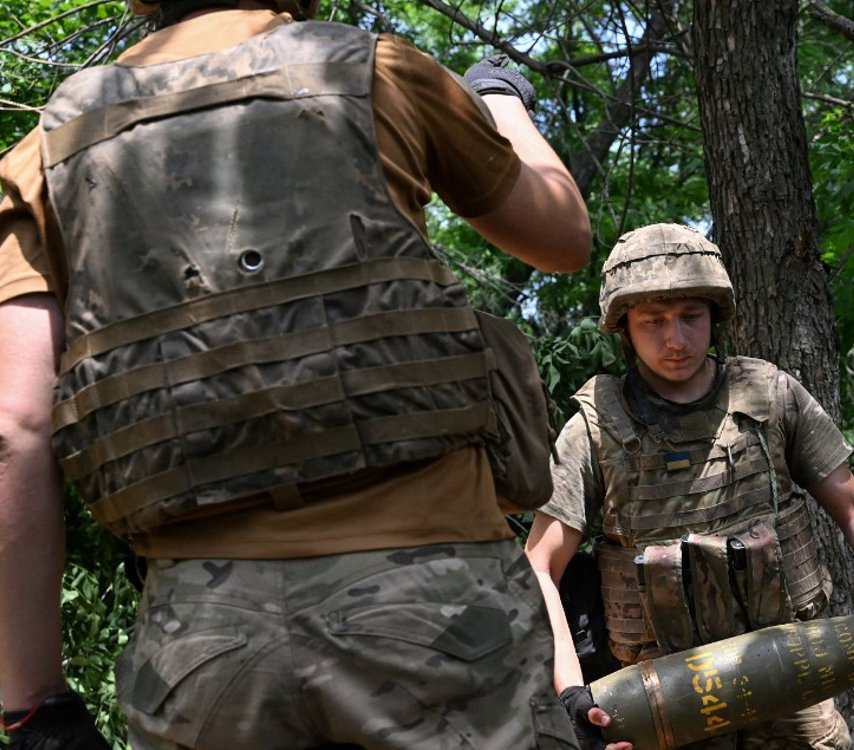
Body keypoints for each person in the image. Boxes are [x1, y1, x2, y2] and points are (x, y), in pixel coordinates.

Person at [0, 0, 590, 747]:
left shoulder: (46, 151)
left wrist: (34, 707)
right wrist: (500, 106)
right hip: (437, 616)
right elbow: (562, 236)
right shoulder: (378, 71)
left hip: (203, 646)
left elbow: (15, 428)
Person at [524, 223, 854, 750]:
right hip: (660, 705)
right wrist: (572, 695)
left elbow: (853, 506)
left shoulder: (769, 395)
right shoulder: (597, 426)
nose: (675, 339)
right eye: (653, 321)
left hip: (792, 686)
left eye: (691, 317)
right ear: (624, 327)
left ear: (715, 316)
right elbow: (540, 566)